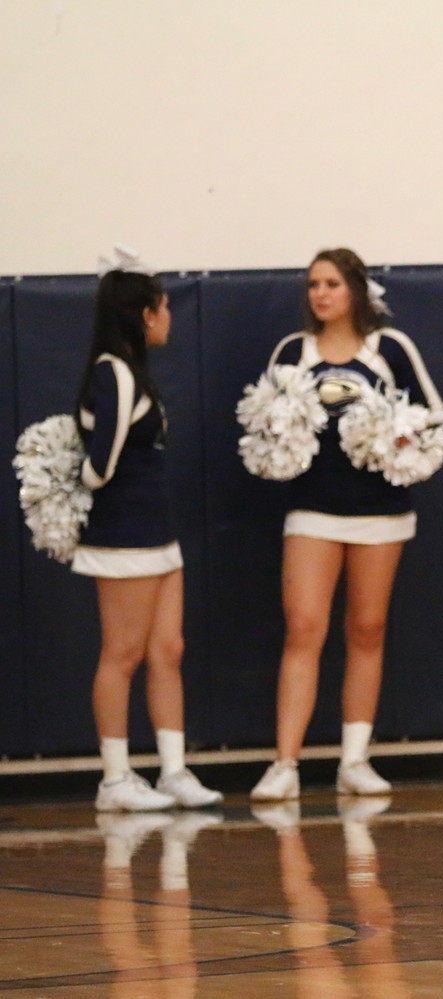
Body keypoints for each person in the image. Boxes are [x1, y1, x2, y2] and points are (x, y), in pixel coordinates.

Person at [250, 249, 443, 802]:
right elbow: (260, 424)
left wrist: (396, 441)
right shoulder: (293, 352)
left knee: (367, 629)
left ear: (356, 290)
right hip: (312, 509)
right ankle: (284, 764)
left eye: (332, 283)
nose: (320, 293)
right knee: (304, 629)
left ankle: (354, 761)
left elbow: (434, 417)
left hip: (381, 511)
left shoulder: (391, 349)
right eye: (314, 284)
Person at [74, 263, 223, 812]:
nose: (168, 317)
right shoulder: (113, 372)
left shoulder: (132, 371)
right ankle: (114, 780)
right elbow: (100, 465)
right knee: (123, 653)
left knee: (167, 649)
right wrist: (76, 491)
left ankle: (173, 772)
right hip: (124, 535)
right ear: (144, 315)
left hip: (156, 532)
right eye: (163, 308)